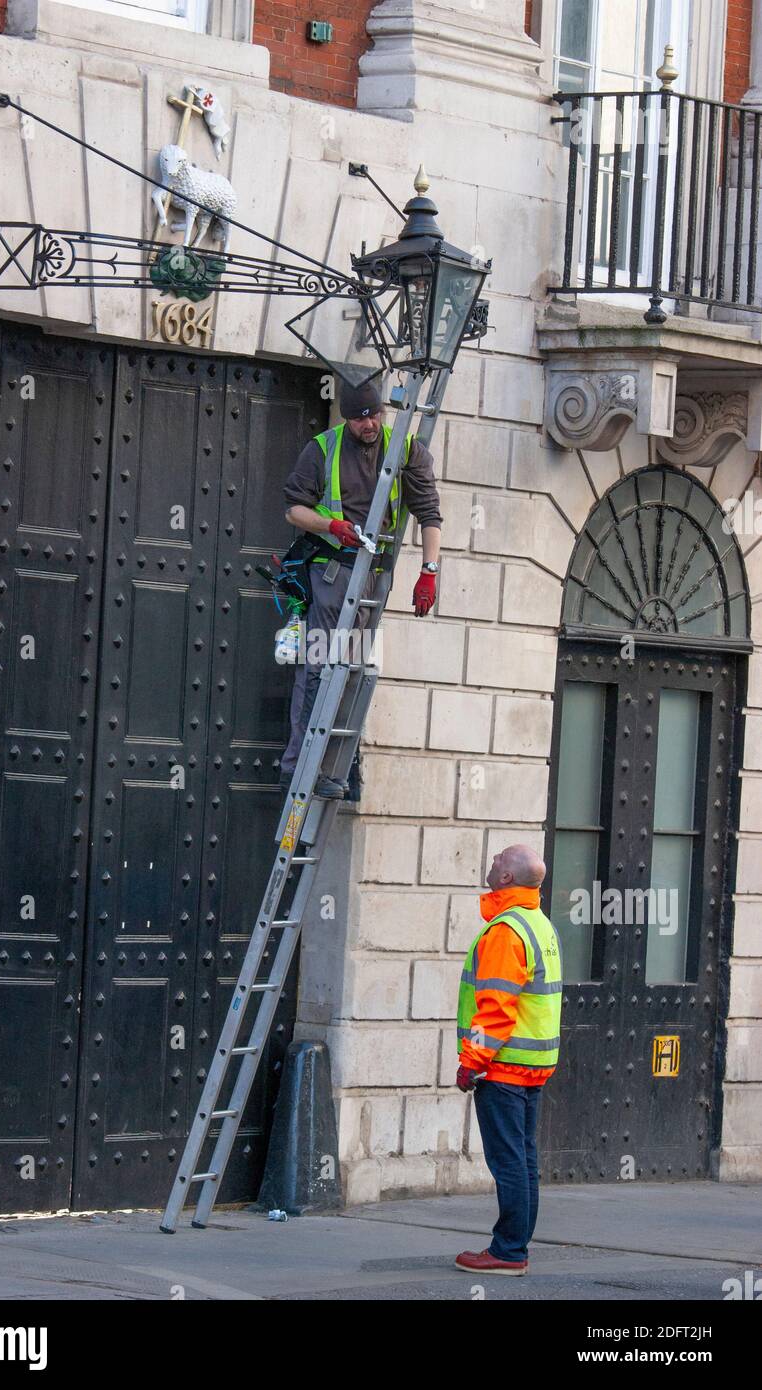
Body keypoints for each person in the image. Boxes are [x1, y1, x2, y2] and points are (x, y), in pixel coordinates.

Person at [279, 378, 442, 797]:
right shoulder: (322, 448)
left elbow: (429, 513)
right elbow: (294, 510)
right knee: (318, 667)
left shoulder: (404, 448)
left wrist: (429, 571)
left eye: (373, 414)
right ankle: (299, 767)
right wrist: (332, 525)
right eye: (359, 417)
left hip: (371, 579)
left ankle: (332, 771)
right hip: (332, 571)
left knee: (353, 673)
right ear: (347, 417)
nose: (368, 424)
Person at [454, 844, 562, 1276]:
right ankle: (515, 1247)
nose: (492, 860)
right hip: (532, 1065)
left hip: (504, 1066)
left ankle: (509, 1251)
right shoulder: (538, 924)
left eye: (499, 859)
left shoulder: (505, 931)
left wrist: (471, 1060)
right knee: (524, 1158)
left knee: (508, 1161)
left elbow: (496, 1008)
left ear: (506, 879)